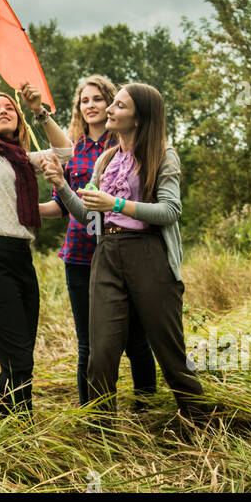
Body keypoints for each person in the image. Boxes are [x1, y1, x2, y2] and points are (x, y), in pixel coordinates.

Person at [42, 82, 205, 420]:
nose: (109, 110)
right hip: (107, 254)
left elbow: (170, 211)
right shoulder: (105, 160)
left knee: (168, 349)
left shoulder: (163, 155)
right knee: (100, 352)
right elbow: (89, 216)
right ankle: (102, 430)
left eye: (119, 105)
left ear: (140, 117)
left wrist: (117, 203)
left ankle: (198, 421)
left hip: (148, 254)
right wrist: (62, 185)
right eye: (111, 104)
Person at [0, 11, 73, 414]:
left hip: (21, 258)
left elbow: (66, 154)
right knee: (17, 356)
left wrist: (39, 110)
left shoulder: (23, 159)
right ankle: (13, 427)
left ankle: (7, 425)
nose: (2, 108)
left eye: (9, 106)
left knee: (22, 355)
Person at [37, 75, 157, 409]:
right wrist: (20, 210)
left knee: (134, 339)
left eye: (97, 99)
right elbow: (60, 206)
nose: (90, 106)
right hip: (79, 255)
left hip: (122, 252)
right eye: (84, 101)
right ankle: (92, 411)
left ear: (111, 103)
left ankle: (145, 407)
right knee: (88, 343)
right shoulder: (70, 150)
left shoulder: (123, 144)